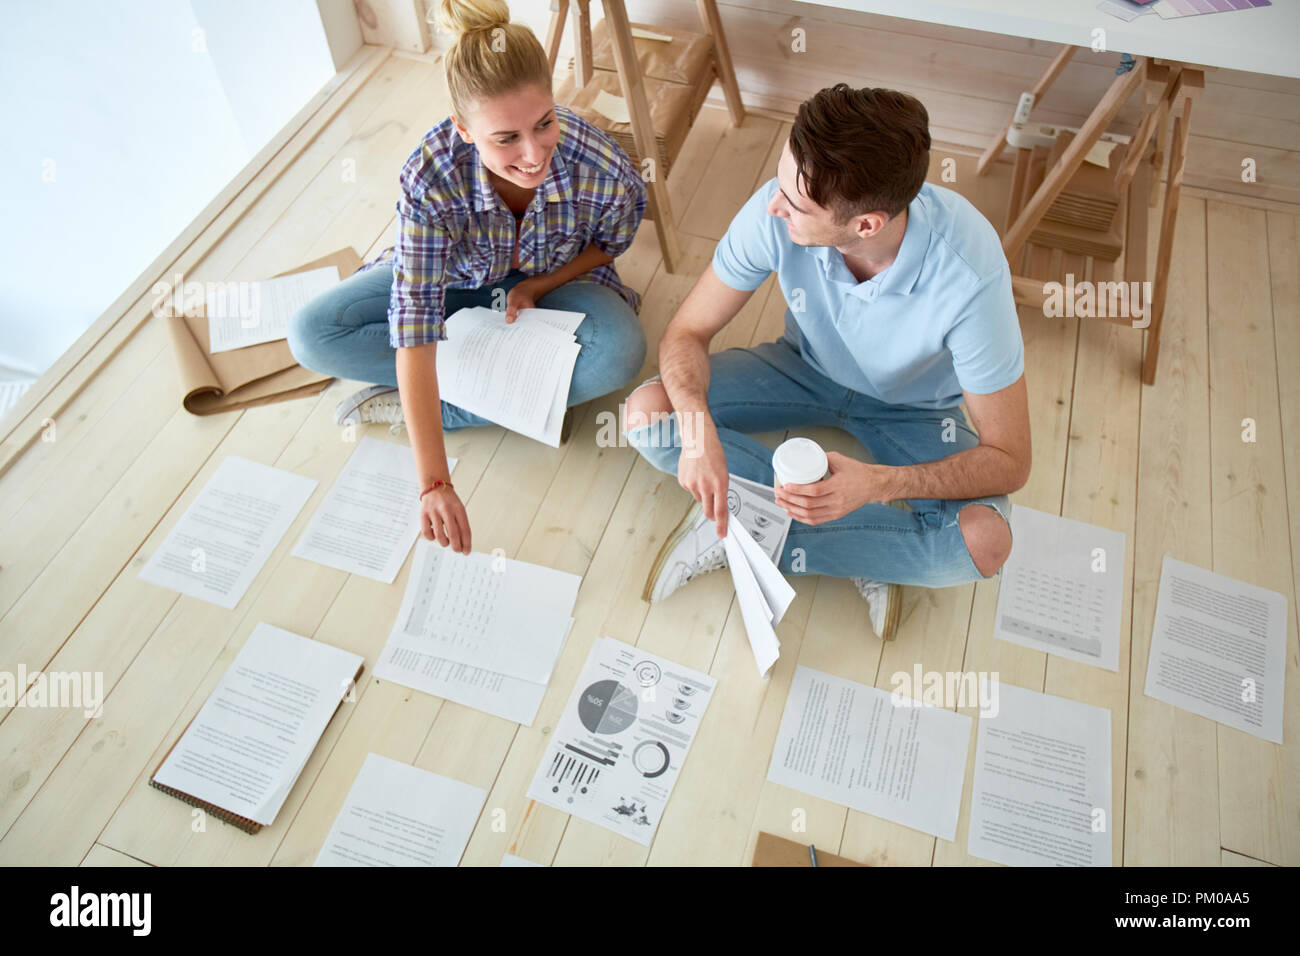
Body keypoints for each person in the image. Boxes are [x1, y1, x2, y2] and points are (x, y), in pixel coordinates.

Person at [622, 84, 1030, 641]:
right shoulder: (779, 203)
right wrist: (696, 431)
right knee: (647, 411)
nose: (773, 204)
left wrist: (878, 485)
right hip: (800, 369)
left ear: (866, 224)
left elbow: (1010, 459)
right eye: (782, 183)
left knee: (985, 541)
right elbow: (687, 331)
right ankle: (868, 545)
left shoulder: (969, 276)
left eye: (795, 204)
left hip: (912, 411)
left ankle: (743, 526)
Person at [288, 0, 647, 556]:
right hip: (452, 285)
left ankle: (433, 405)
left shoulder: (602, 165)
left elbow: (609, 245)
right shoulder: (429, 177)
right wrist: (434, 481)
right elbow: (414, 326)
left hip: (552, 283)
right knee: (312, 333)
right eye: (505, 138)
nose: (534, 155)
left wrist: (539, 286)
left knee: (620, 353)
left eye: (544, 123)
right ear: (463, 129)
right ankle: (519, 398)